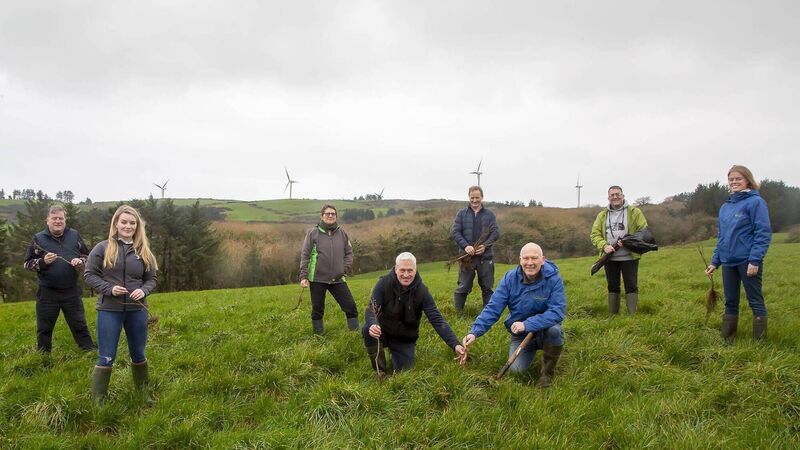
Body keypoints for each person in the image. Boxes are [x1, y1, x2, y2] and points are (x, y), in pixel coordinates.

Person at [462, 243, 565, 387]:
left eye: (534, 258)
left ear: (542, 259)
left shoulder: (553, 278)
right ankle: (531, 350)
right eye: (526, 258)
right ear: (520, 260)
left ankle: (547, 374)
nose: (530, 263)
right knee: (517, 371)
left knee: (555, 331)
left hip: (544, 330)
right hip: (521, 334)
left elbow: (557, 311)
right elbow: (493, 308)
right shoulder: (510, 278)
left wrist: (527, 324)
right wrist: (474, 332)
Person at [84, 205, 158, 405]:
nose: (128, 226)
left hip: (137, 311)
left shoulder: (144, 251)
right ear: (116, 223)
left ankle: (144, 395)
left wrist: (143, 290)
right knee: (106, 356)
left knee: (139, 353)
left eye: (132, 223)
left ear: (137, 226)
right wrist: (109, 289)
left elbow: (152, 279)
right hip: (109, 310)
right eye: (124, 222)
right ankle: (98, 402)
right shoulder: (102, 248)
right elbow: (89, 275)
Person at [363, 252, 466, 374]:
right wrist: (373, 324)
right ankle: (380, 371)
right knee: (367, 329)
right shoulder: (383, 283)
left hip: (404, 339)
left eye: (410, 270)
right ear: (396, 269)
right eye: (402, 270)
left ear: (415, 270)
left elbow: (437, 319)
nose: (406, 275)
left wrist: (455, 344)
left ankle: (398, 355)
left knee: (404, 371)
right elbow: (371, 309)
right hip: (383, 332)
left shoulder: (422, 291)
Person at [705, 165, 772, 342]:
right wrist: (715, 262)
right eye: (731, 179)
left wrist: (755, 260)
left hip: (747, 261)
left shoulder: (756, 202)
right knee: (730, 301)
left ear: (747, 180)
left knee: (754, 300)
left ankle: (760, 342)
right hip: (728, 262)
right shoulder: (725, 207)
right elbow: (722, 237)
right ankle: (728, 340)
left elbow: (762, 233)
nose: (734, 182)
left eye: (738, 179)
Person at [23, 204, 96, 353]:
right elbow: (27, 264)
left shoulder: (74, 235)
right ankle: (43, 355)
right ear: (47, 221)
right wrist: (43, 262)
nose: (58, 221)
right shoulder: (38, 238)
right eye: (54, 218)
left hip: (71, 290)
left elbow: (87, 257)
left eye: (61, 218)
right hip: (47, 291)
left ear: (65, 220)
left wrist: (80, 261)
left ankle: (89, 351)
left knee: (79, 324)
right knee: (44, 327)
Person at [299, 204, 359, 334]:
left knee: (350, 306)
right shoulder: (312, 233)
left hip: (338, 278)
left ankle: (354, 334)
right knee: (317, 309)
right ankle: (319, 336)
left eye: (333, 214)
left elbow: (349, 253)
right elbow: (305, 255)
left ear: (336, 216)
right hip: (317, 278)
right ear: (322, 216)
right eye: (328, 214)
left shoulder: (342, 233)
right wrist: (303, 276)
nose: (331, 216)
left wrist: (344, 268)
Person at [590, 185, 649, 314]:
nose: (615, 197)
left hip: (630, 257)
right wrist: (604, 245)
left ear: (623, 196)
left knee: (631, 286)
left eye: (618, 194)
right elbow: (594, 234)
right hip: (610, 258)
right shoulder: (602, 215)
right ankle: (613, 316)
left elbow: (644, 231)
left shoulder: (635, 212)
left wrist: (628, 241)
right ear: (608, 197)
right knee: (612, 286)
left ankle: (632, 315)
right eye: (612, 195)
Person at [451, 185, 500, 314]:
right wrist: (465, 246)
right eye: (472, 198)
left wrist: (485, 246)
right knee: (463, 286)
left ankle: (488, 314)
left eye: (477, 197)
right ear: (469, 197)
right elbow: (455, 232)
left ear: (482, 197)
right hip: (467, 257)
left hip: (485, 257)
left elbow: (495, 232)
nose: (474, 200)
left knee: (487, 287)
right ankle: (459, 313)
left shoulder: (489, 214)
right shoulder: (461, 214)